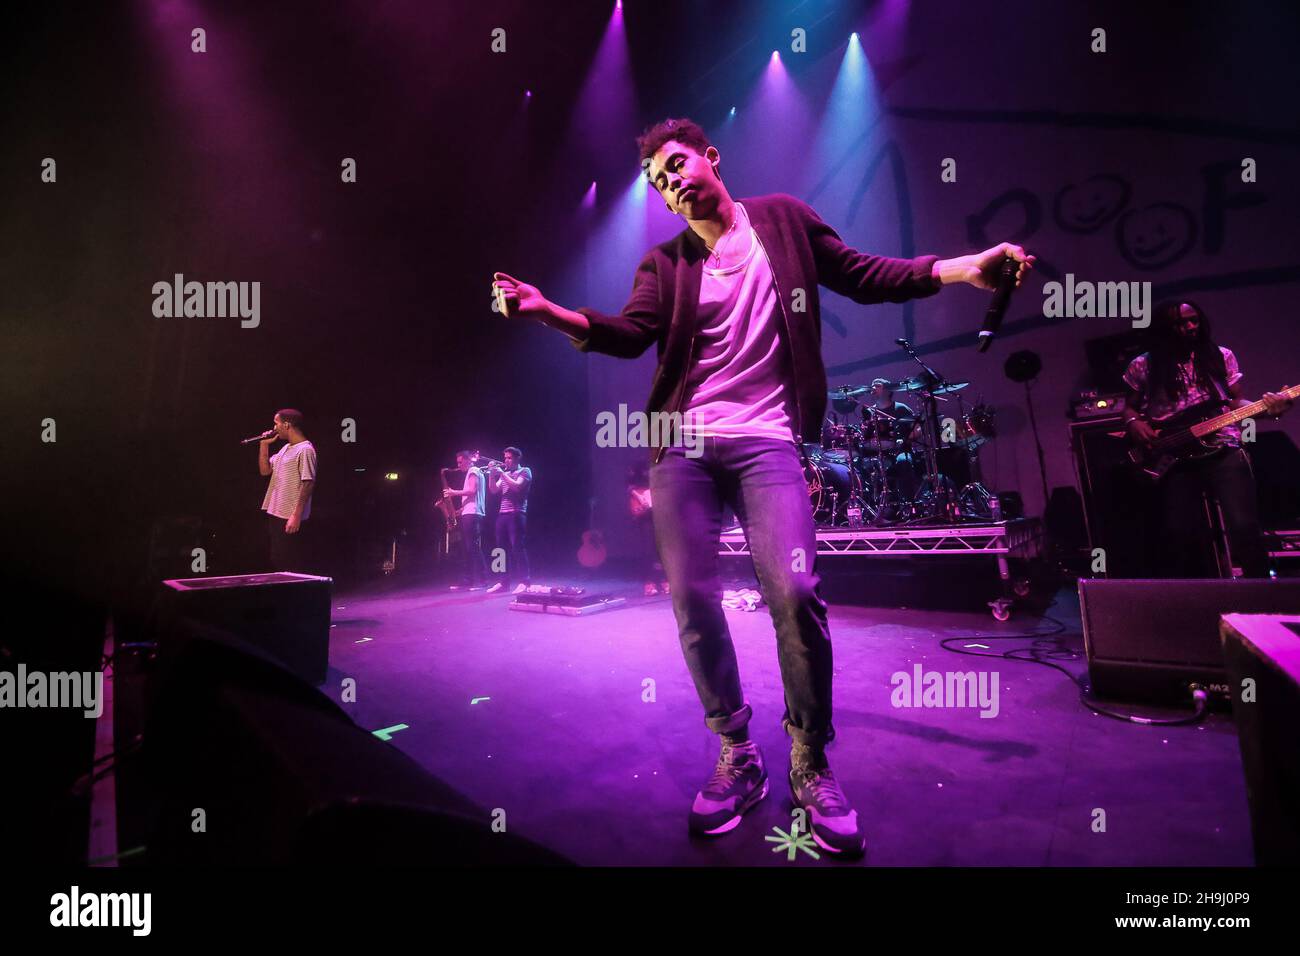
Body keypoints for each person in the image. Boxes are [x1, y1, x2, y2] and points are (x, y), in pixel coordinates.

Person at [492, 117, 1033, 856]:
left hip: (767, 440)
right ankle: (736, 752)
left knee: (797, 590)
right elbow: (627, 333)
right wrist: (548, 310)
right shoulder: (665, 262)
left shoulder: (782, 219)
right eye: (656, 180)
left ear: (710, 158)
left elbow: (866, 274)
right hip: (683, 446)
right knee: (690, 596)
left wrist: (966, 268)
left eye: (676, 164)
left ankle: (809, 758)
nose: (669, 182)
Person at [1122, 300, 1292, 577]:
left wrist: (1269, 409)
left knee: (1244, 526)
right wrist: (1133, 422)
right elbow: (1129, 406)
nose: (1190, 327)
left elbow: (1235, 402)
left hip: (1222, 445)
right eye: (1181, 323)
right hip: (1174, 454)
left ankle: (1261, 594)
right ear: (1165, 328)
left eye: (1195, 320)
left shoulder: (1219, 355)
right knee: (1181, 532)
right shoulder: (1143, 365)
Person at [258, 408, 317, 572]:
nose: (274, 427)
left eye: (276, 423)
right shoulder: (285, 449)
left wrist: (296, 515)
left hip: (289, 516)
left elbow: (308, 483)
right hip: (276, 511)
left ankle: (298, 595)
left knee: (289, 560)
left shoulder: (305, 449)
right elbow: (265, 470)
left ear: (287, 424)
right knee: (277, 558)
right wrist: (263, 445)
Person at [486, 446, 532, 594]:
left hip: (517, 514)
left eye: (509, 458)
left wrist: (502, 474)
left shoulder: (525, 471)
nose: (506, 460)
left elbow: (517, 487)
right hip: (502, 514)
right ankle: (503, 582)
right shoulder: (504, 473)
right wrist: (492, 476)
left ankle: (525, 581)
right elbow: (493, 490)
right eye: (505, 457)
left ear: (517, 458)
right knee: (500, 550)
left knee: (517, 547)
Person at [444, 450, 488, 590]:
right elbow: (472, 498)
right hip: (470, 512)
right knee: (467, 548)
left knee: (473, 547)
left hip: (473, 513)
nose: (458, 465)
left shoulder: (474, 470)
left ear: (469, 460)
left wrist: (453, 492)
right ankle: (467, 580)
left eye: (460, 462)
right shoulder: (474, 471)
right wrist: (459, 511)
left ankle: (483, 580)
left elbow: (472, 491)